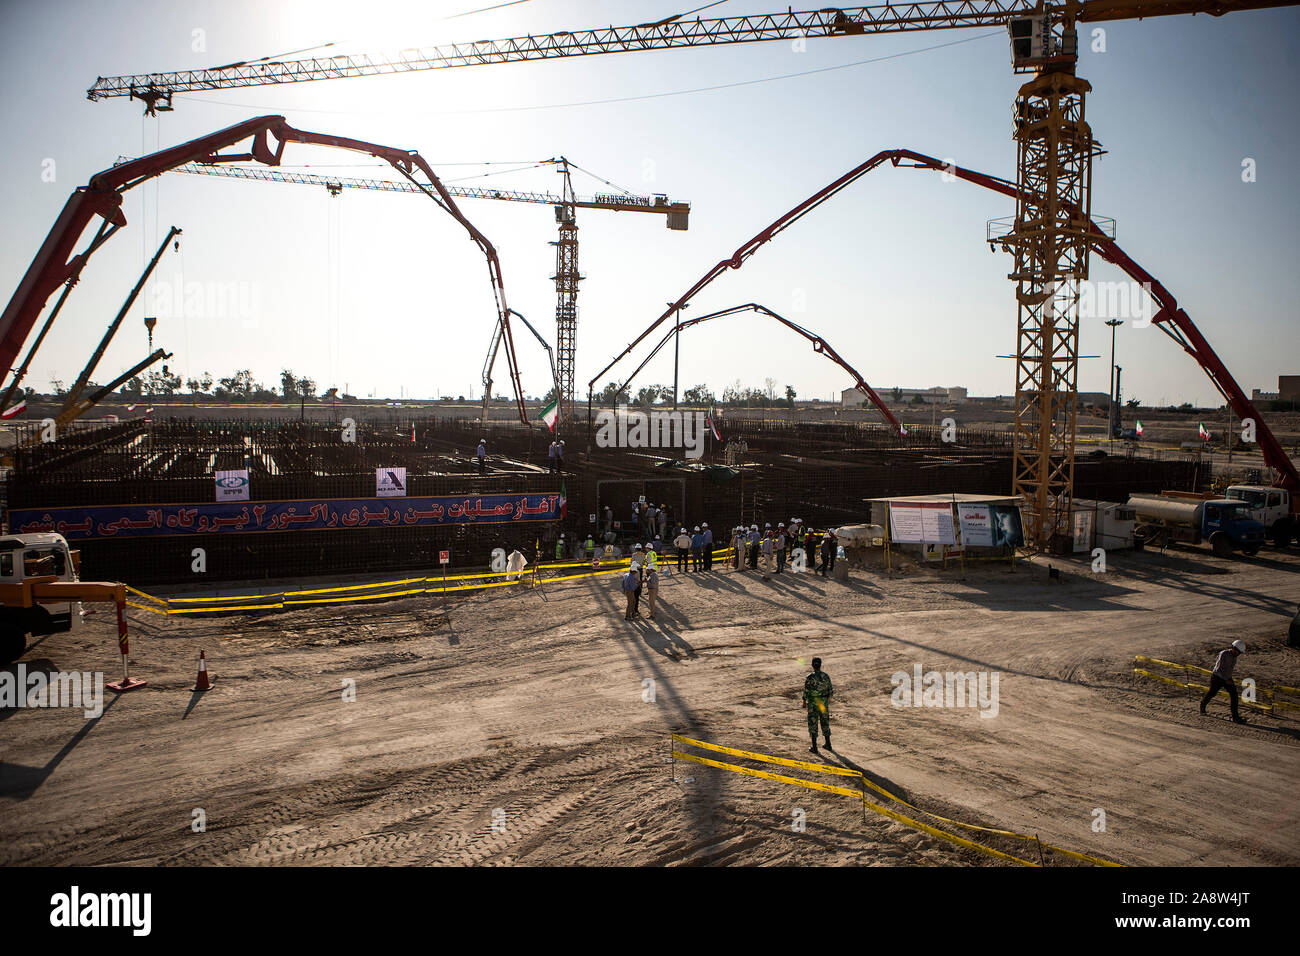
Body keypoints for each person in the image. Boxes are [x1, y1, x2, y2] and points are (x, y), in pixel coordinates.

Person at [1201, 640, 1247, 723]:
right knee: (1212, 693)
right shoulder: (1224, 654)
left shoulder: (1234, 657)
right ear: (1233, 648)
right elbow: (1219, 669)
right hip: (1217, 677)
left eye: (1239, 653)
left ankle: (1235, 717)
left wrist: (1229, 679)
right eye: (1238, 652)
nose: (1238, 654)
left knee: (1234, 695)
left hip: (1227, 678)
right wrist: (1226, 680)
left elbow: (1230, 669)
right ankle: (1202, 705)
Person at [802, 657, 833, 754]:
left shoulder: (810, 677)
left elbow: (806, 692)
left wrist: (804, 702)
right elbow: (831, 691)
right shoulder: (826, 676)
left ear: (812, 665)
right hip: (822, 703)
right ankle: (828, 744)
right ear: (820, 665)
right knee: (825, 722)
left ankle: (815, 747)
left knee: (813, 723)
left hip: (813, 703)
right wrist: (825, 700)